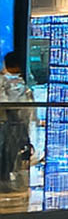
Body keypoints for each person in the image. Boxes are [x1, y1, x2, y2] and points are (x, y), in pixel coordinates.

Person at [1, 52, 35, 196]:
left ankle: (6, 179)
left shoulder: (18, 82)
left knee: (12, 153)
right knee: (6, 152)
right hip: (7, 122)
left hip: (16, 124)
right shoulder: (5, 81)